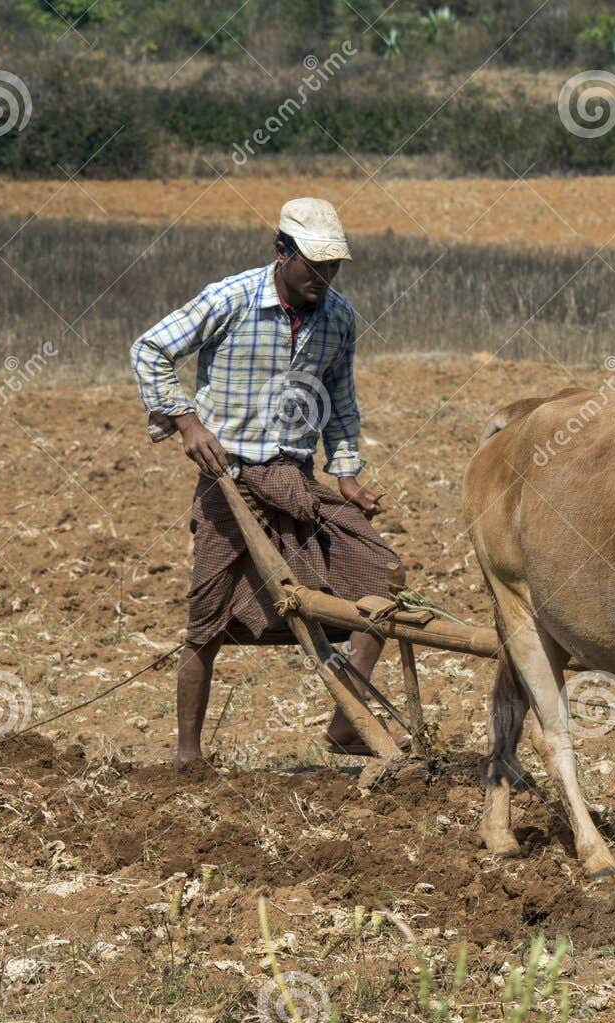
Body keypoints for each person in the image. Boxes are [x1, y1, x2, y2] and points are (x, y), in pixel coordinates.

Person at [130, 197, 404, 768]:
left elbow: (342, 401)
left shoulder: (339, 318)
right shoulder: (230, 299)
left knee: (379, 579)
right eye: (314, 265)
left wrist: (347, 473)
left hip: (296, 480)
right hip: (228, 481)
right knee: (207, 617)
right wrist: (187, 421)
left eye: (334, 267)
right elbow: (150, 349)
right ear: (282, 252)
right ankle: (188, 754)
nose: (324, 279)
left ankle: (345, 726)